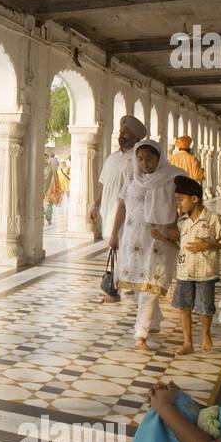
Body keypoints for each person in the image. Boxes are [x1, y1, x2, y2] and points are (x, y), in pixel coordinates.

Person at [113, 139, 179, 350]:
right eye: (140, 159)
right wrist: (114, 234)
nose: (145, 163)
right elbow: (121, 206)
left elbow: (185, 204)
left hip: (157, 240)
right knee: (137, 284)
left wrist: (176, 226)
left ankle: (140, 334)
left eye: (149, 159)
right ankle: (156, 321)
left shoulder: (172, 178)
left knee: (150, 284)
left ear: (159, 158)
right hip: (132, 239)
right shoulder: (132, 177)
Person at [156, 176, 221, 355]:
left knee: (205, 307)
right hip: (184, 272)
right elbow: (180, 246)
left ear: (194, 199)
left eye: (180, 199)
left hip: (206, 272)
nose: (178, 204)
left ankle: (205, 335)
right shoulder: (182, 222)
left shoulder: (213, 219)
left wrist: (207, 245)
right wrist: (163, 238)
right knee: (184, 306)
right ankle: (188, 342)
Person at [92, 115, 147, 303]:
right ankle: (119, 288)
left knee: (126, 248)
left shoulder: (138, 158)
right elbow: (104, 183)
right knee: (117, 248)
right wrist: (96, 204)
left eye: (126, 132)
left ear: (135, 136)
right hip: (109, 212)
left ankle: (121, 290)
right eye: (121, 132)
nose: (121, 135)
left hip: (127, 213)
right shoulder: (114, 157)